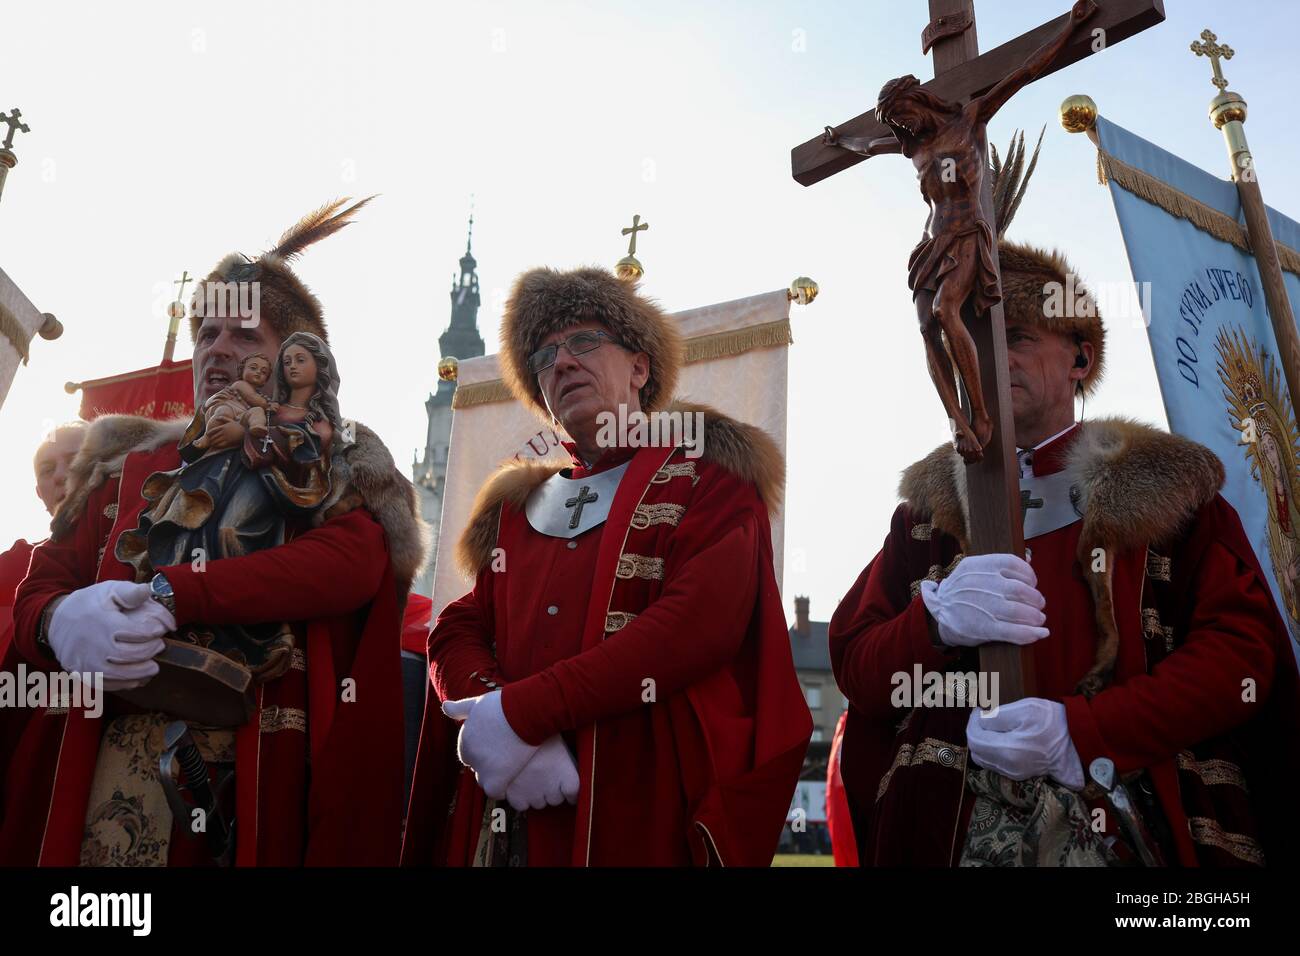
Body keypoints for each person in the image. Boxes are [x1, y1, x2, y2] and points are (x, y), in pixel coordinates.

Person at [829, 240, 1300, 866]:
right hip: (943, 830)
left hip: (1130, 823)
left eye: (1016, 335)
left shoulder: (1171, 488)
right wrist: (929, 624)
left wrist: (1083, 734)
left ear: (1080, 357)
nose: (988, 356)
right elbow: (858, 669)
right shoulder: (924, 512)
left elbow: (1242, 660)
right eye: (968, 340)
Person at [1, 198, 429, 866]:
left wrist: (176, 593)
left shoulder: (332, 456)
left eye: (244, 336)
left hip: (255, 777)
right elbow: (45, 581)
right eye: (208, 335)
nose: (218, 350)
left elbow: (350, 561)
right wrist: (56, 619)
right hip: (93, 774)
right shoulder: (121, 464)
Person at [404, 266, 811, 866]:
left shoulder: (709, 475)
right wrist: (494, 714)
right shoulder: (516, 511)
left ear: (640, 368)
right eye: (544, 355)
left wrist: (523, 715)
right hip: (508, 820)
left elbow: (696, 626)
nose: (562, 361)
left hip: (637, 811)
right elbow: (460, 626)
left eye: (585, 342)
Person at [0, 423, 87, 658]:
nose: (60, 475)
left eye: (76, 459)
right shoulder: (13, 565)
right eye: (47, 470)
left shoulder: (156, 547)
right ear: (39, 493)